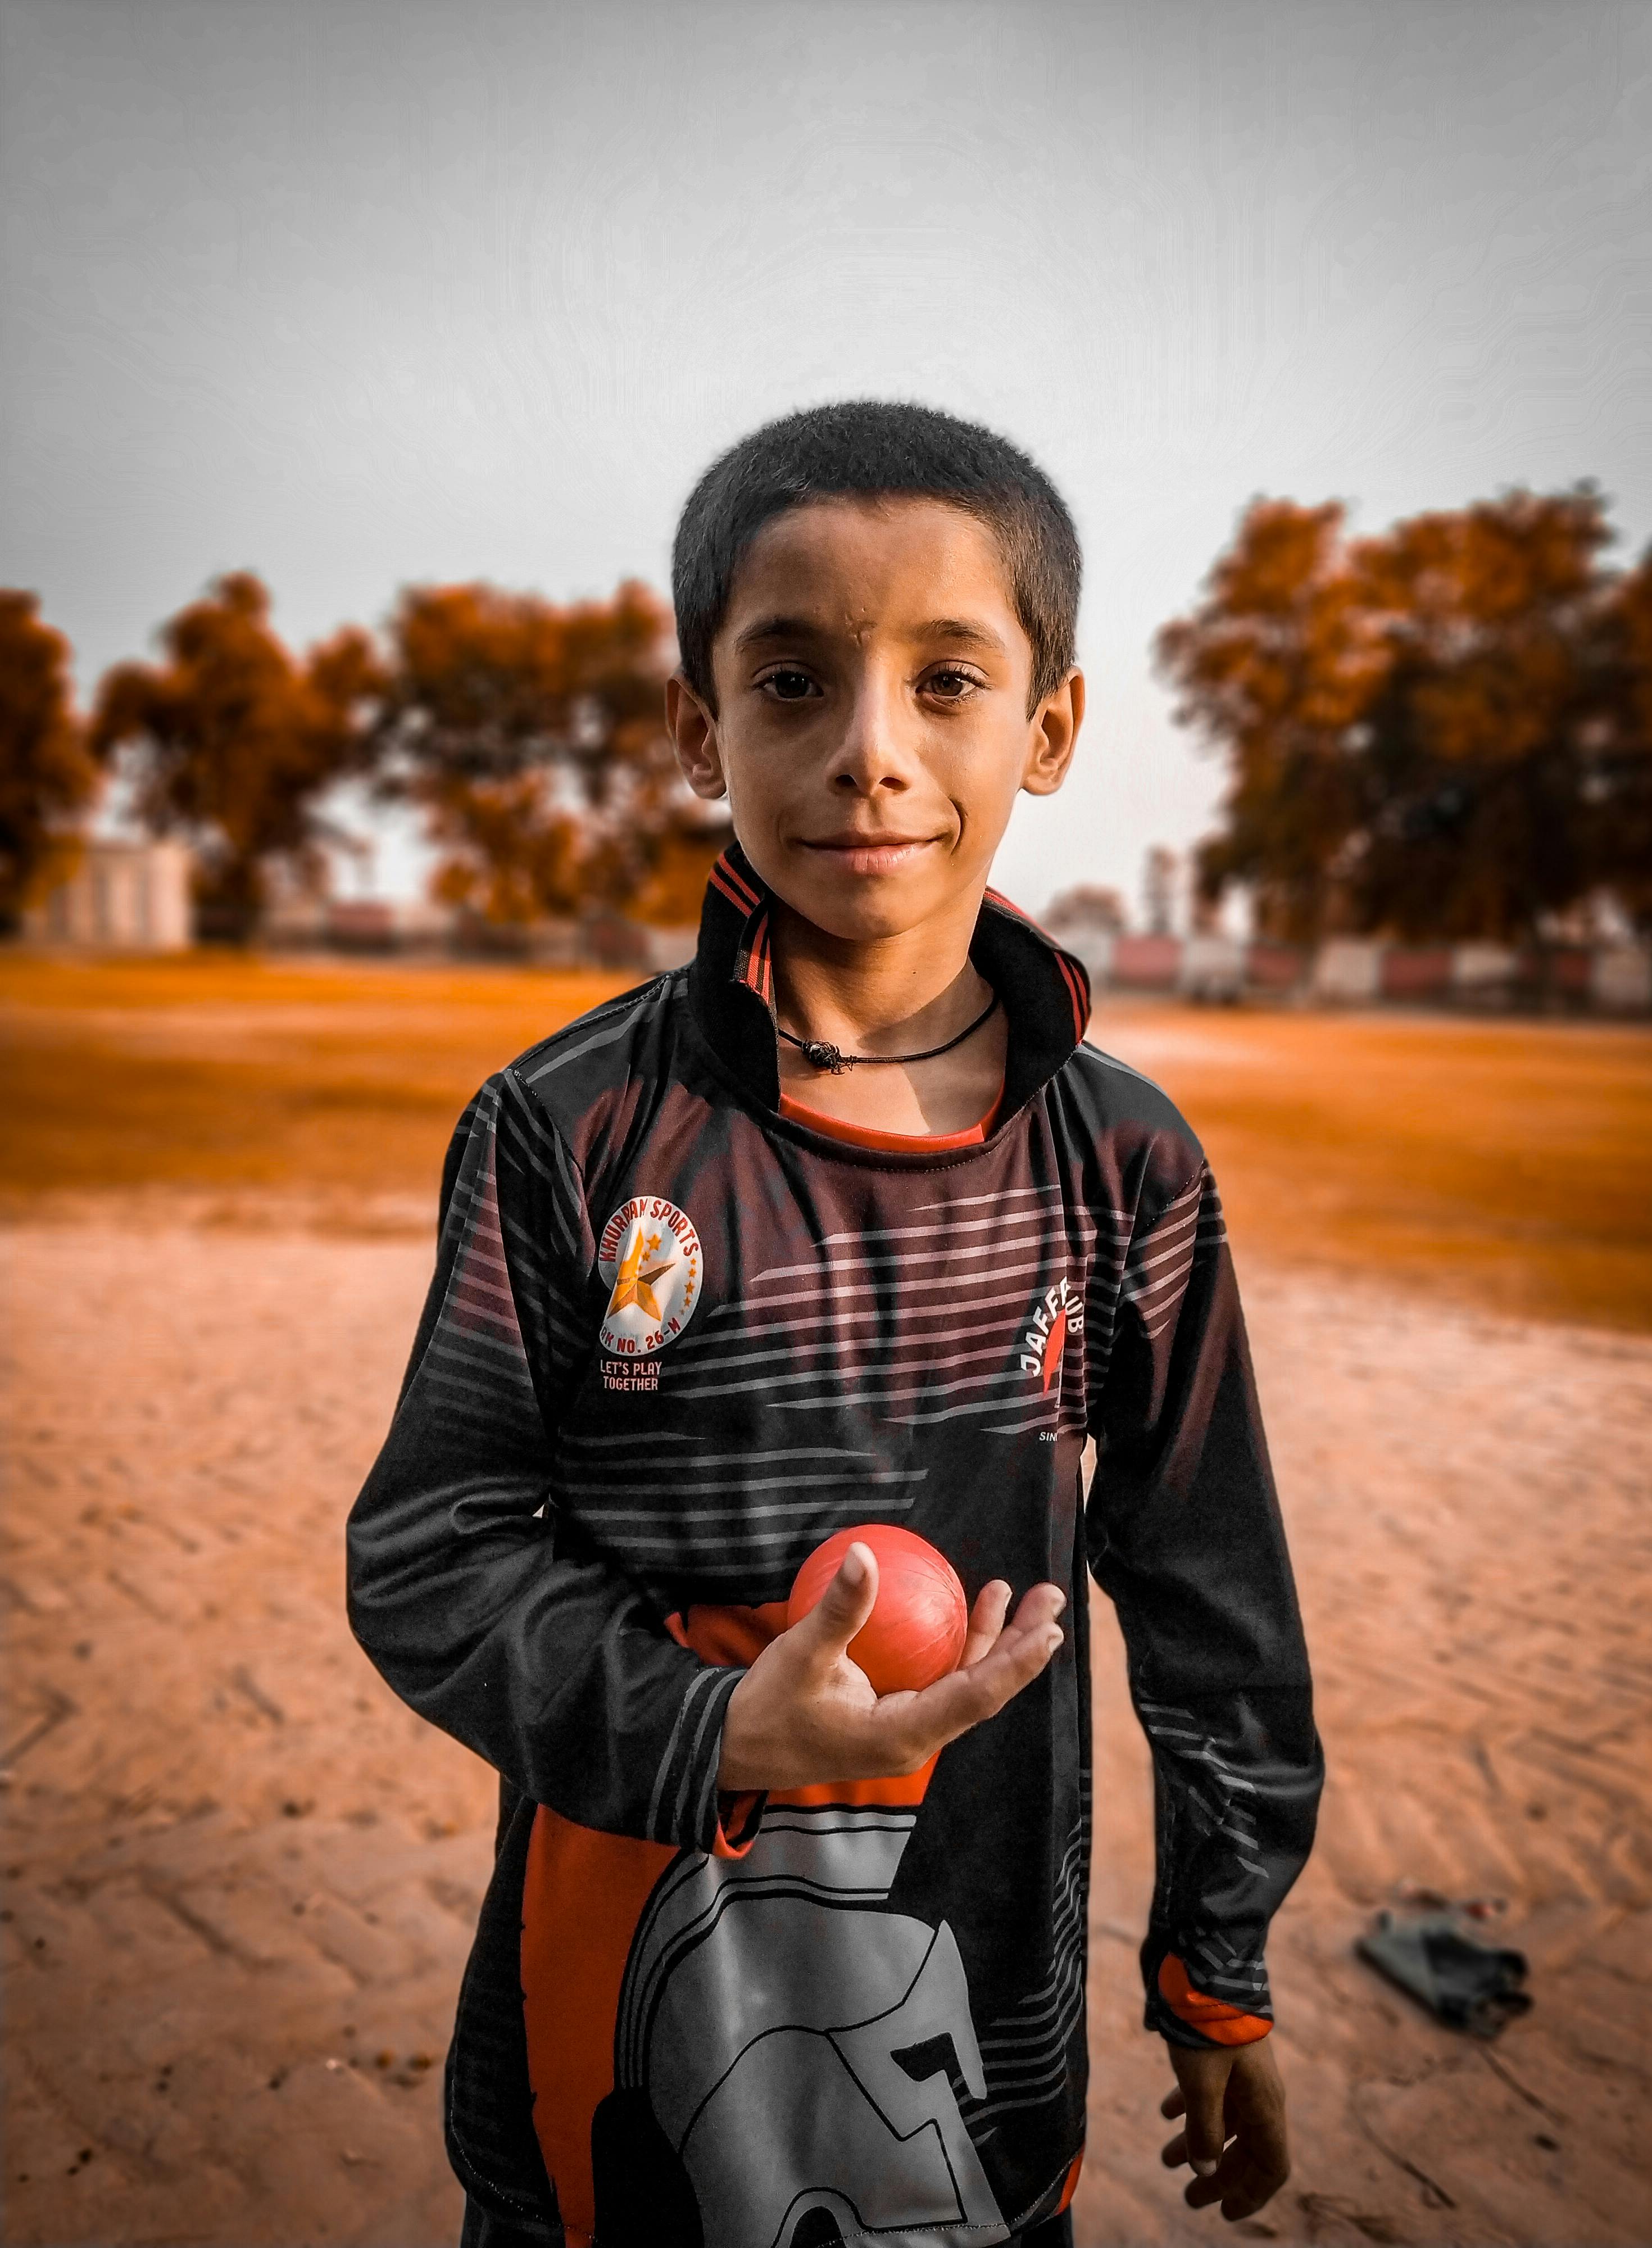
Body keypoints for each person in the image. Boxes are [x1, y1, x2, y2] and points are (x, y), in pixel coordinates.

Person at [347, 401, 1323, 2248]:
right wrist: (711, 1725)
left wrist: (1220, 1957)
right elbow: (426, 1551)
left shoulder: (1123, 1164)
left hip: (972, 2050)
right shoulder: (569, 1129)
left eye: (946, 679)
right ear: (698, 729)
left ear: (1046, 729)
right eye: (793, 680)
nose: (870, 753)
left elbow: (1212, 1595)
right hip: (614, 2042)